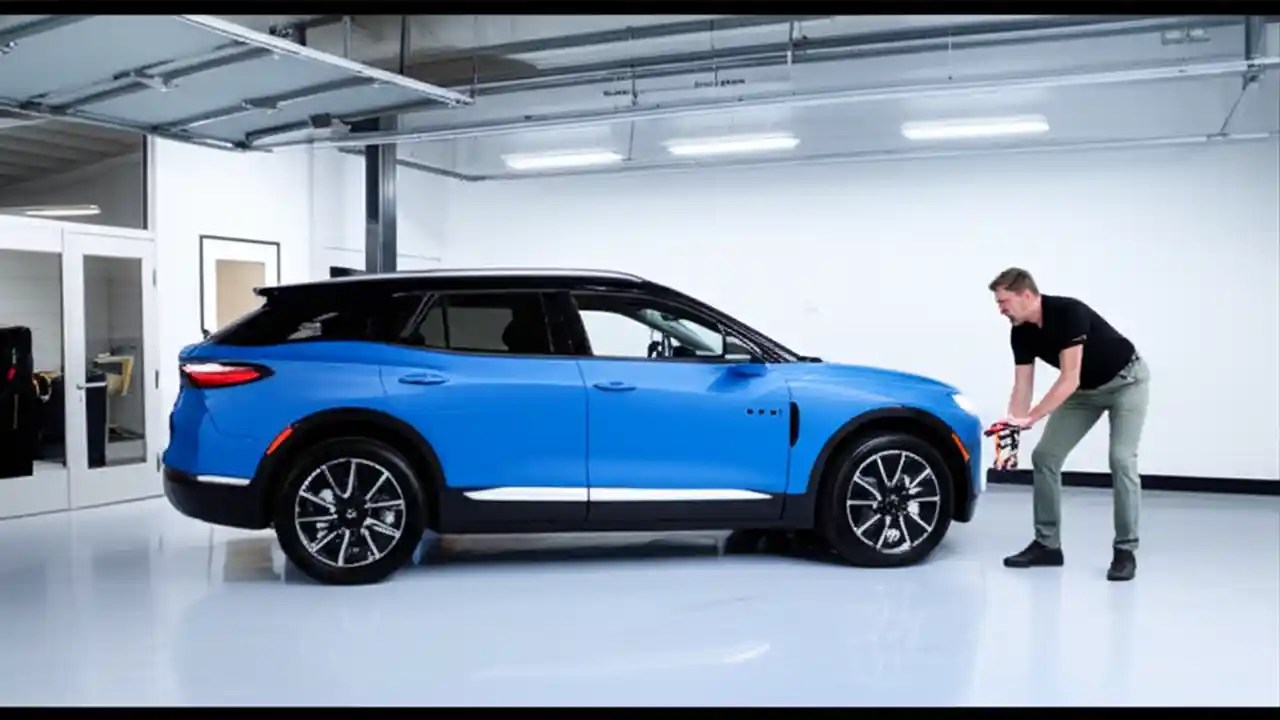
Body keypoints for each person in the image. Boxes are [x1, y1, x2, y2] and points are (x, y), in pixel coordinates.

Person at [988, 268, 1150, 581]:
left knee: (1121, 459)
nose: (1001, 310)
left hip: (1126, 383)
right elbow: (1023, 386)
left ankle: (1125, 551)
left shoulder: (1068, 312)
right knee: (1045, 456)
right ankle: (1048, 546)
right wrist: (1012, 426)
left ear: (1027, 295)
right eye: (998, 303)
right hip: (1084, 392)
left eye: (1004, 301)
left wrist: (1033, 416)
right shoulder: (1020, 331)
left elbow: (1068, 376)